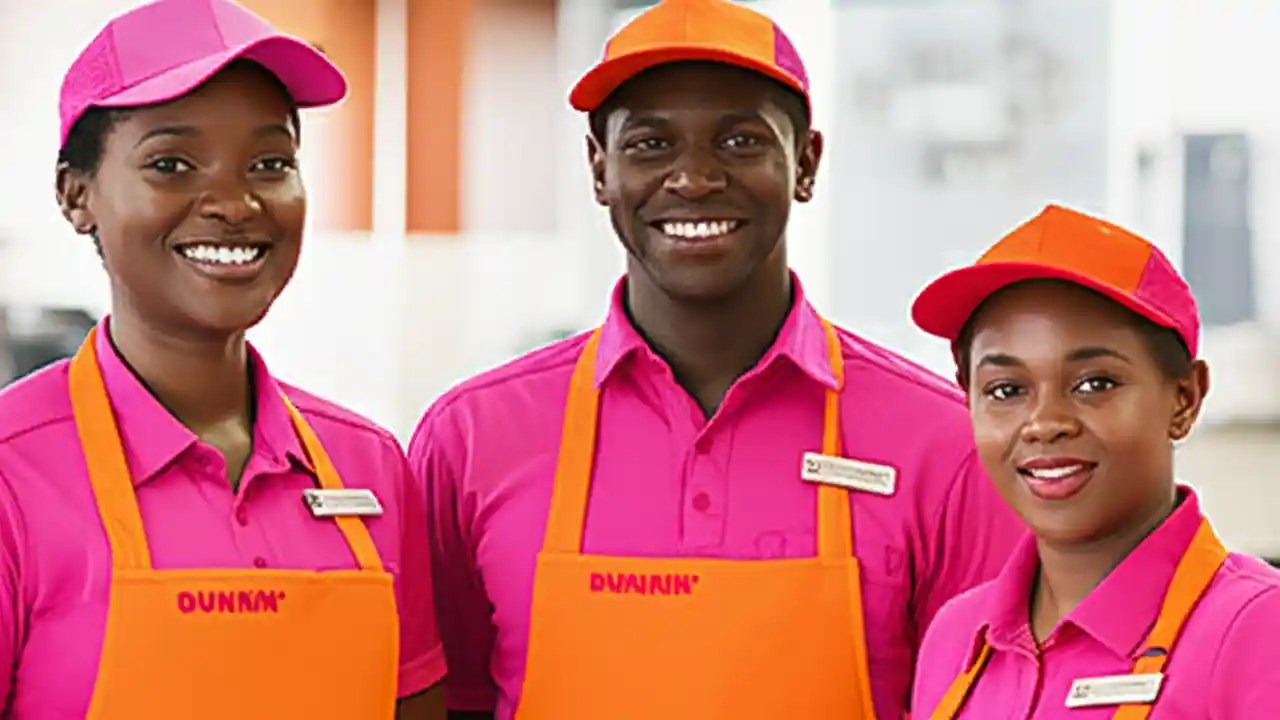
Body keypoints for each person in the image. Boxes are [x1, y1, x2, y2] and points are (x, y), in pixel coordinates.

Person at [408, 0, 1023, 717]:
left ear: (806, 163)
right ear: (598, 168)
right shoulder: (472, 439)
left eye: (739, 142)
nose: (694, 179)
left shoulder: (941, 447)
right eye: (649, 145)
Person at [0, 0, 446, 717]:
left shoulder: (371, 465)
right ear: (75, 193)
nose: (234, 203)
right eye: (171, 164)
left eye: (270, 163)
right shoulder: (12, 474)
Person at [908, 204, 1280, 718]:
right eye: (1006, 389)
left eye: (1094, 384)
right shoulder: (958, 639)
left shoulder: (1258, 631)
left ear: (1185, 398)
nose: (1044, 421)